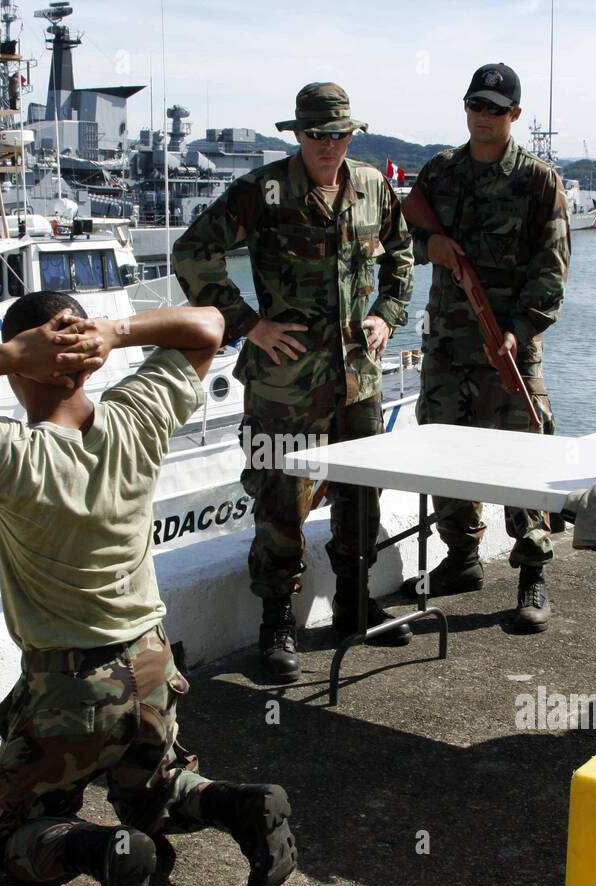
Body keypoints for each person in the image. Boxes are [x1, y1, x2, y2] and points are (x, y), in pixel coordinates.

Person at [0, 293, 298, 886]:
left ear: (24, 366)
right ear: (88, 364)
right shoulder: (135, 417)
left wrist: (12, 353)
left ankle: (102, 853)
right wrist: (112, 334)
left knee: (17, 837)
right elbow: (208, 325)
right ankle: (242, 806)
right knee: (161, 791)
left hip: (71, 685)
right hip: (151, 665)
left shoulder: (11, 454)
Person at [172, 82, 414, 683]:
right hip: (285, 383)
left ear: (352, 134)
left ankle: (356, 602)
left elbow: (402, 256)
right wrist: (249, 325)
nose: (328, 145)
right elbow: (193, 252)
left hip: (358, 378)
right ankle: (277, 620)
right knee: (283, 497)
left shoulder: (374, 187)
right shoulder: (264, 191)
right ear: (297, 135)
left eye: (339, 134)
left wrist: (387, 313)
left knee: (362, 493)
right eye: (316, 134)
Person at [400, 63, 571, 632]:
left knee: (525, 459)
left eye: (496, 108)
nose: (484, 115)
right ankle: (462, 559)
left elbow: (552, 273)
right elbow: (403, 232)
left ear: (514, 115)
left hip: (510, 349)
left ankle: (532, 575)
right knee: (444, 456)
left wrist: (519, 332)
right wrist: (433, 246)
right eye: (477, 104)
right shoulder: (441, 172)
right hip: (448, 345)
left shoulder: (539, 182)